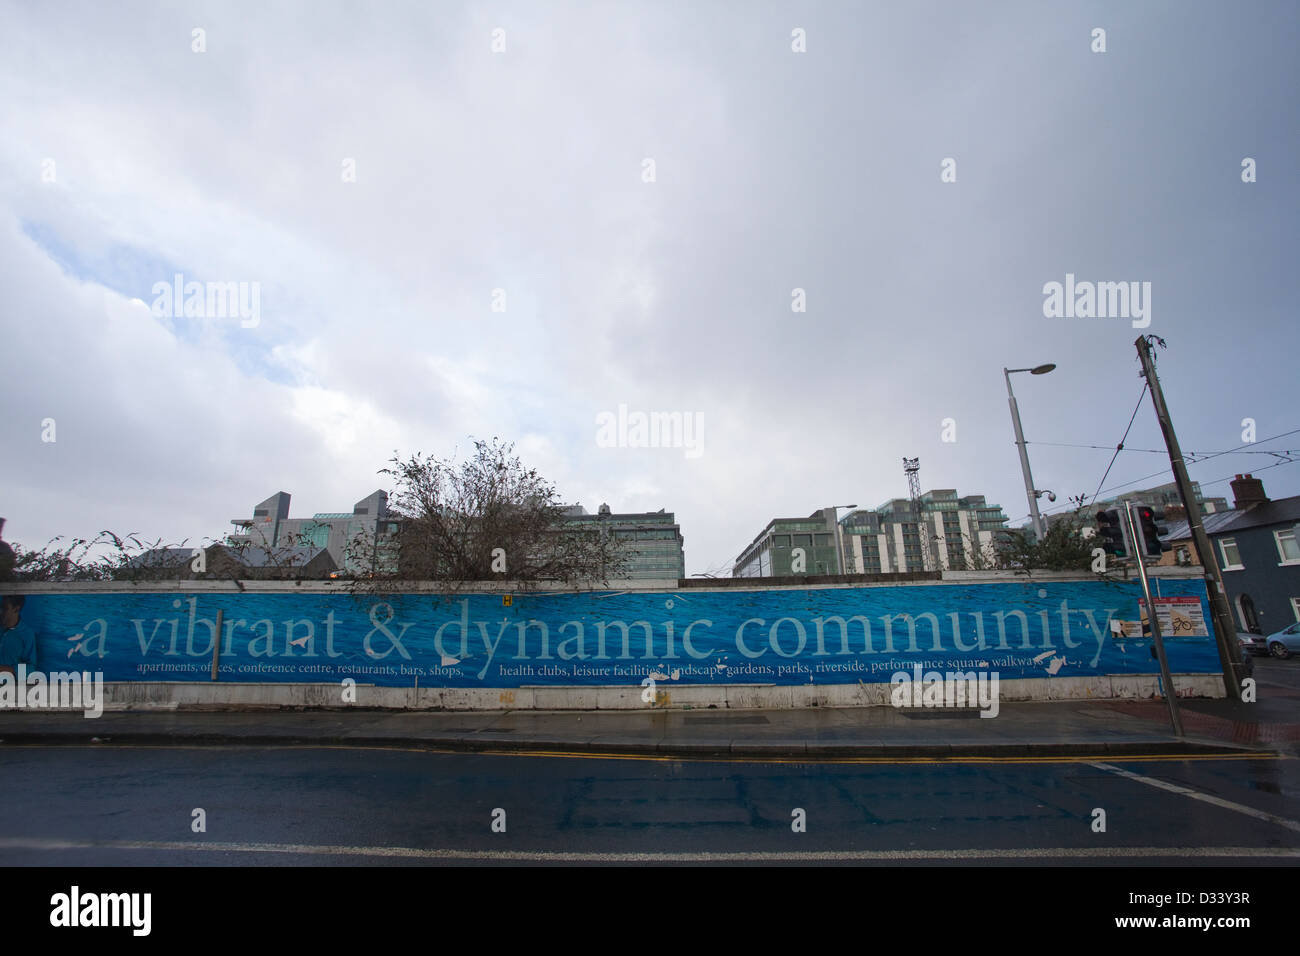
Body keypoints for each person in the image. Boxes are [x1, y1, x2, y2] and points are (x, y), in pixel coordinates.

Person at [0, 595, 38, 674]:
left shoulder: (27, 634)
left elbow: (31, 668)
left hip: (10, 684)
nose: (0, 611)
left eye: (5, 608)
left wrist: (8, 669)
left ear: (16, 609)